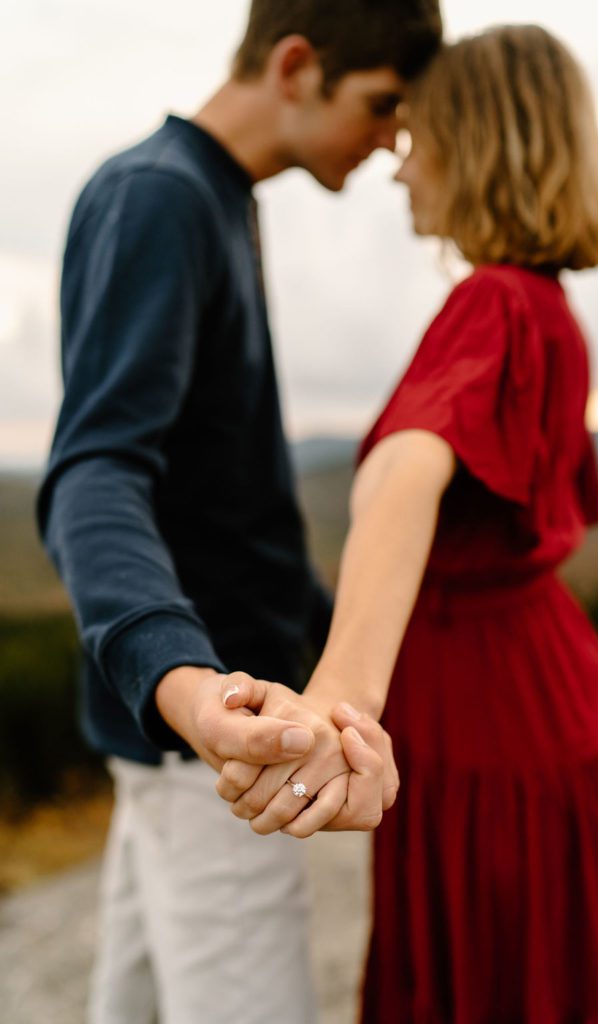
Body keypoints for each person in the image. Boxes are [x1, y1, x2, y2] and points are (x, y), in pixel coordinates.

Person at [222, 24, 598, 1022]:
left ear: (474, 145)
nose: (399, 168)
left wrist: (339, 690)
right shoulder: (545, 306)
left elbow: (403, 469)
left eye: (420, 136)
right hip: (543, 704)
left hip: (492, 732)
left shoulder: (491, 305)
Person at [37, 2, 443, 1022]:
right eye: (381, 104)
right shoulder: (161, 200)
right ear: (297, 67)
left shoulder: (211, 195)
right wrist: (186, 686)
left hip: (200, 728)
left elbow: (226, 503)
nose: (393, 138)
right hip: (228, 734)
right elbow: (94, 471)